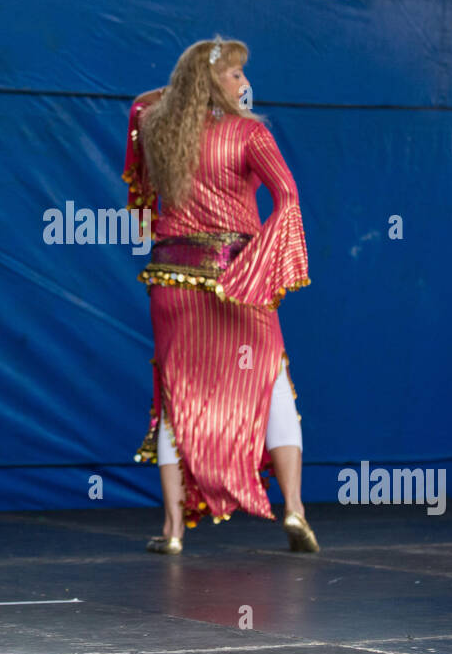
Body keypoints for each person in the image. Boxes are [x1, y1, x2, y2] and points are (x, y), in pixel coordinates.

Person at [123, 37, 314, 555]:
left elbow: (141, 105)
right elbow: (289, 198)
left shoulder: (157, 129)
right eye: (233, 75)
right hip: (238, 280)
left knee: (175, 397)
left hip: (171, 281)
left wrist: (186, 82)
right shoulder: (250, 134)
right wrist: (262, 265)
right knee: (271, 382)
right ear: (212, 83)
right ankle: (294, 509)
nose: (245, 84)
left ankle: (173, 531)